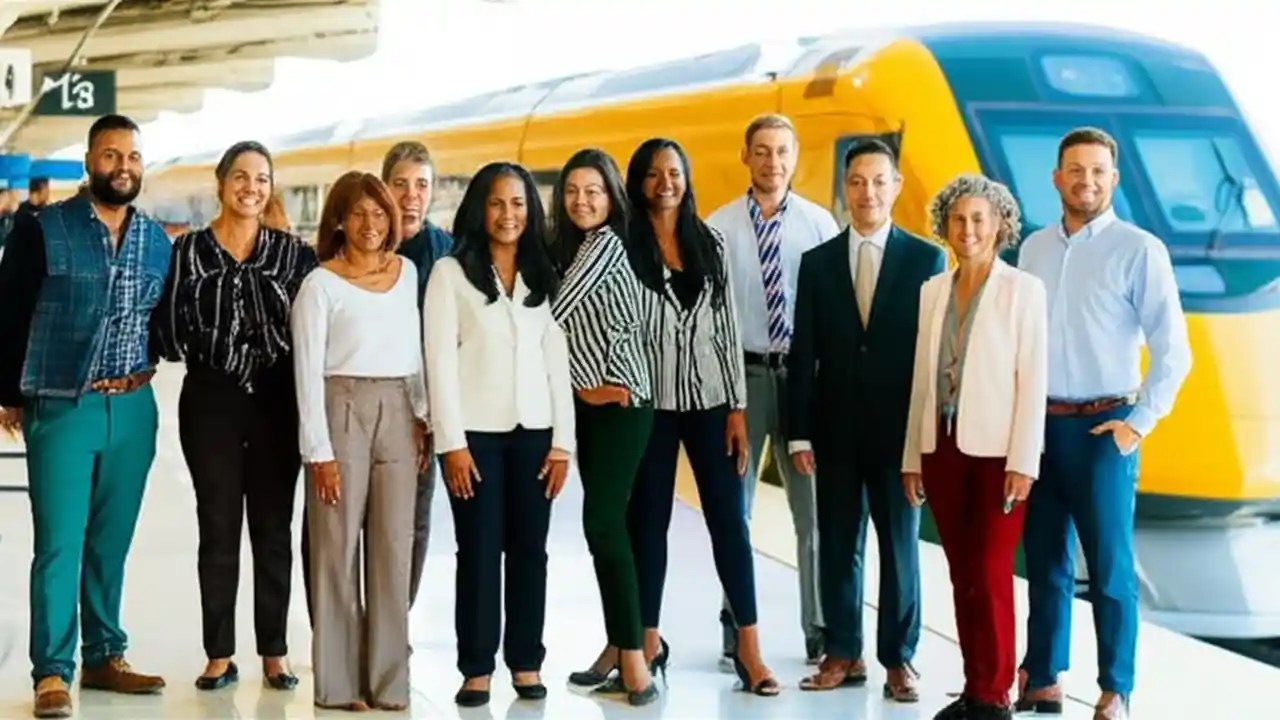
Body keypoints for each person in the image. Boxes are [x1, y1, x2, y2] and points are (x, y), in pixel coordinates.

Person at [1015, 127, 1191, 720]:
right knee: (1044, 563)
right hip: (1041, 427)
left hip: (1104, 427)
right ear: (1056, 178)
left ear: (1112, 180)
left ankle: (1116, 688)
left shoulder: (1139, 249)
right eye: (1075, 169)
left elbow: (1174, 351)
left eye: (1097, 171)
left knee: (1110, 568)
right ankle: (1042, 677)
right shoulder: (1033, 250)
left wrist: (1136, 425)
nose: (1085, 180)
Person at [0, 114, 170, 719]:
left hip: (132, 407)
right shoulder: (43, 229)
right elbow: (10, 309)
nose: (122, 165)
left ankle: (104, 655)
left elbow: (163, 322)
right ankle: (52, 671)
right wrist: (7, 392)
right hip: (62, 403)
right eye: (110, 154)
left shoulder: (156, 240)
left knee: (110, 542)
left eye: (132, 156)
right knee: (59, 544)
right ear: (88, 162)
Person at [151, 141, 317, 692]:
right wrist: (207, 343)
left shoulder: (294, 255)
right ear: (221, 185)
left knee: (273, 529)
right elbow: (170, 329)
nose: (252, 187)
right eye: (241, 177)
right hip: (211, 400)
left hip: (276, 402)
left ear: (272, 188)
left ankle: (275, 650)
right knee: (217, 527)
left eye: (262, 179)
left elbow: (312, 331)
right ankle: (218, 653)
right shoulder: (190, 253)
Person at [789, 137, 945, 701]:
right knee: (837, 543)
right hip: (833, 432)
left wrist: (928, 439)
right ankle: (842, 652)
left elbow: (932, 355)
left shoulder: (927, 260)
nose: (868, 192)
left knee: (900, 547)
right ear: (844, 188)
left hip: (900, 436)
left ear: (896, 186)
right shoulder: (818, 263)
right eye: (857, 181)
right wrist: (798, 430)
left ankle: (899, 659)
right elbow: (803, 351)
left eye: (879, 181)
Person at [622, 137, 779, 696]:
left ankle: (749, 648)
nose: (665, 182)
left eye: (674, 172)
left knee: (729, 525)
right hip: (652, 405)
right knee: (650, 525)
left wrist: (737, 405)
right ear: (638, 182)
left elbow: (730, 327)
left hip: (711, 402)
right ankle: (646, 644)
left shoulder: (710, 240)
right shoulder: (622, 246)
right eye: (654, 174)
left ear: (686, 178)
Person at [423, 162, 574, 708]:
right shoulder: (449, 273)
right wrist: (452, 444)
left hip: (537, 434)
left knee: (531, 552)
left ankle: (527, 661)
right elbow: (438, 362)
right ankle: (477, 667)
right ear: (479, 209)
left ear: (530, 210)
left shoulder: (544, 269)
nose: (508, 214)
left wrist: (564, 443)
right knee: (480, 551)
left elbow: (558, 362)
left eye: (518, 203)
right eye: (496, 203)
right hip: (476, 439)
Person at [901, 175, 1047, 720]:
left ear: (1000, 225)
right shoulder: (932, 291)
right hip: (941, 448)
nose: (968, 230)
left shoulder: (1023, 291)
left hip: (996, 455)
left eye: (979, 219)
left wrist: (1023, 462)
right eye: (958, 219)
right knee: (962, 573)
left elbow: (1032, 381)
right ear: (945, 226)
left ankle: (994, 695)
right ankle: (975, 687)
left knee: (989, 571)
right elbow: (922, 378)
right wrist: (912, 458)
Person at [291, 171, 430, 712]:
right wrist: (318, 453)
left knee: (394, 548)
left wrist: (421, 415)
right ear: (339, 222)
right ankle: (339, 684)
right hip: (339, 411)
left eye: (379, 213)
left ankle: (390, 682)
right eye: (358, 214)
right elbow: (307, 373)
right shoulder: (319, 285)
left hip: (399, 412)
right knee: (336, 548)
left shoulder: (409, 272)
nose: (370, 224)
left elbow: (413, 349)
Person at [299, 141, 454, 624]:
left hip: (414, 413)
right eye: (401, 184)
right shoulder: (337, 264)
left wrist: (432, 416)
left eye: (422, 185)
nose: (411, 196)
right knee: (336, 523)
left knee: (408, 526)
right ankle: (340, 629)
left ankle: (390, 625)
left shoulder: (445, 255)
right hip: (349, 410)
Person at [707, 113, 837, 668]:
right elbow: (710, 317)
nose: (772, 161)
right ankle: (737, 628)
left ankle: (821, 629)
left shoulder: (819, 224)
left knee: (812, 514)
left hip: (802, 380)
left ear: (795, 155)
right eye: (761, 150)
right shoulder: (718, 228)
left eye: (782, 151)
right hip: (742, 378)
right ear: (745, 156)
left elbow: (832, 311)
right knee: (736, 510)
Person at [549, 148, 658, 706]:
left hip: (619, 404)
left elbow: (552, 316)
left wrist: (585, 388)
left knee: (603, 524)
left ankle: (637, 659)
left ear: (612, 197)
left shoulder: (604, 245)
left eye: (593, 191)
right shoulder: (574, 249)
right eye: (571, 191)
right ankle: (621, 645)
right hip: (590, 407)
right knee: (608, 527)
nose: (581, 201)